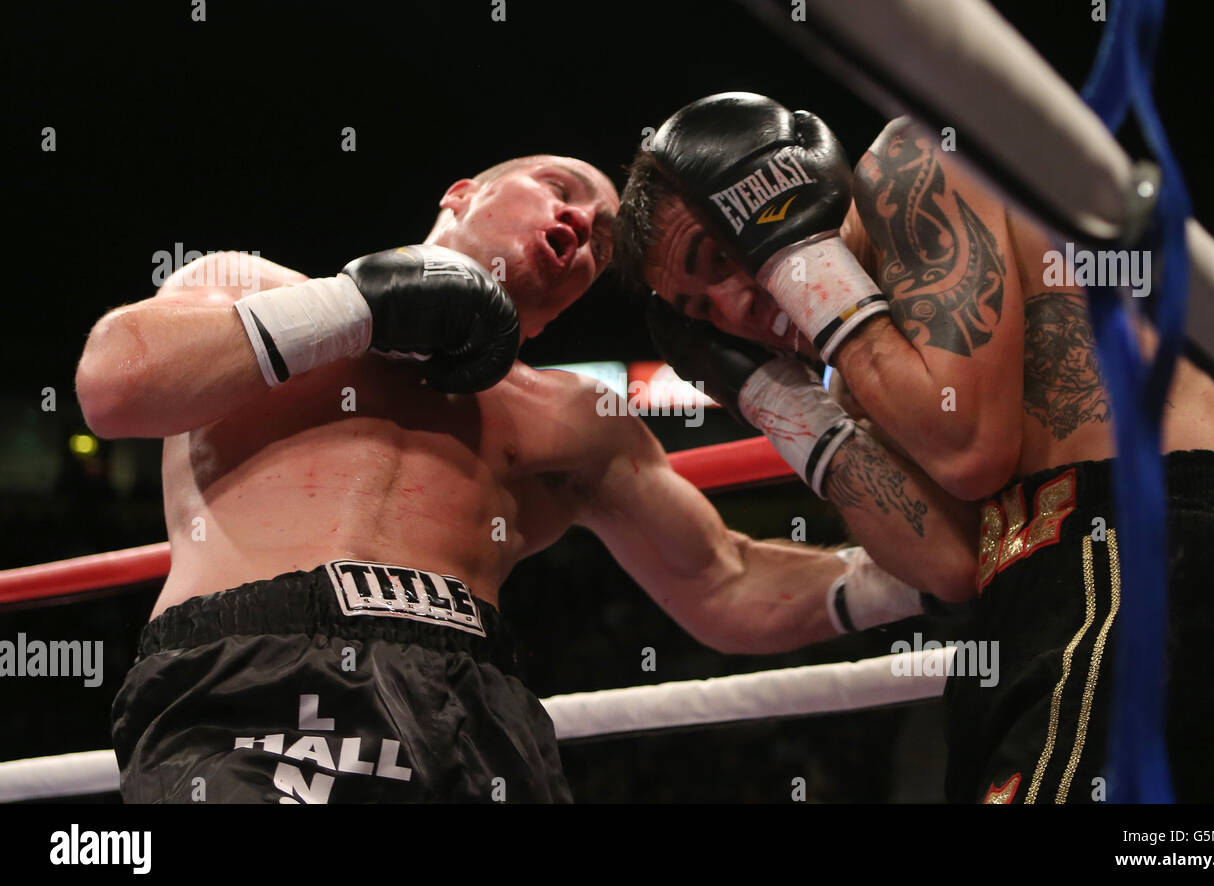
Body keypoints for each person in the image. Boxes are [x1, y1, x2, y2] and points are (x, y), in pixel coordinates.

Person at [76, 153, 968, 804]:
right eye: (560, 187)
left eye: (603, 239)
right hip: (257, 682)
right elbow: (115, 384)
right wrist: (357, 307)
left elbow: (725, 581)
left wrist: (919, 578)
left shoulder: (572, 417)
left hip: (477, 710)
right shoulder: (249, 286)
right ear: (461, 193)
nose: (584, 223)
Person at [617, 92, 1214, 803]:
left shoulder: (911, 165)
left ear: (775, 189)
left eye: (719, 257)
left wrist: (797, 262)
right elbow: (952, 560)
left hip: (1132, 549)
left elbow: (970, 447)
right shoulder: (864, 377)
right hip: (1039, 597)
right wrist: (779, 402)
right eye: (701, 313)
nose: (732, 310)